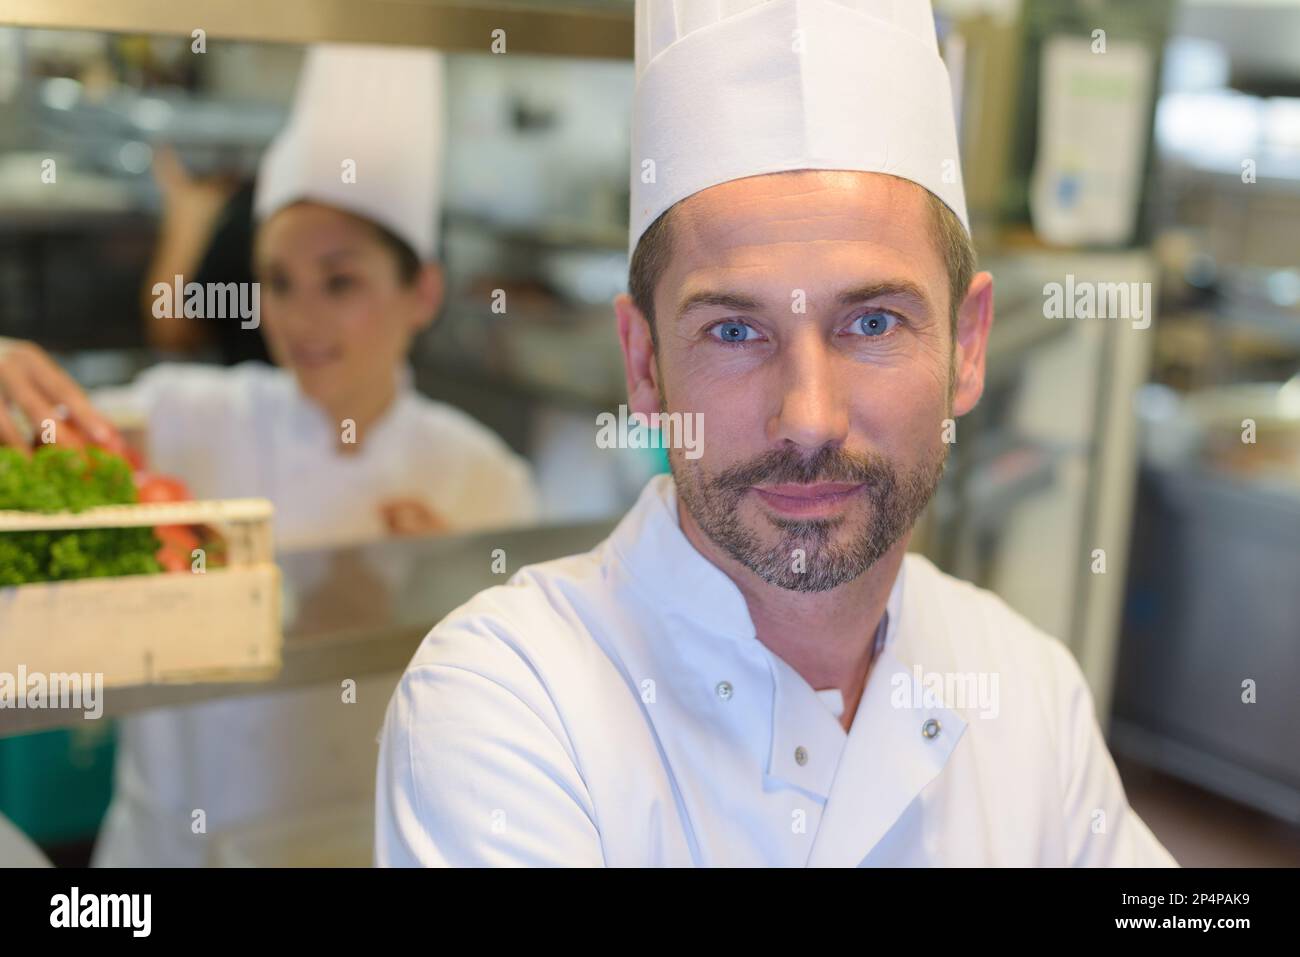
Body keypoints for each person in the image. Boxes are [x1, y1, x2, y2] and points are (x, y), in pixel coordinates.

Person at [375, 0, 1178, 866]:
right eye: (734, 331)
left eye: (871, 324)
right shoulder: (508, 701)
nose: (807, 418)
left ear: (969, 346)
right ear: (644, 363)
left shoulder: (1023, 685)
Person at [0, 44, 538, 865]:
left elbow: (515, 731)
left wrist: (443, 592)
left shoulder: (484, 480)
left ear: (422, 292)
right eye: (278, 282)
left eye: (340, 281)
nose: (301, 318)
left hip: (347, 848)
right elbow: (42, 429)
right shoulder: (193, 413)